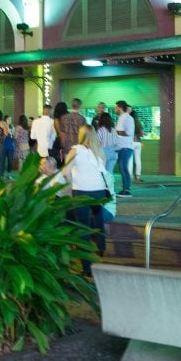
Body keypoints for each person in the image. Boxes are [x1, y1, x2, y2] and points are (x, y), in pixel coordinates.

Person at [63, 124, 108, 275]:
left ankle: (87, 267)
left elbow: (66, 171)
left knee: (83, 228)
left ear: (80, 135)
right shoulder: (99, 151)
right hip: (99, 191)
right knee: (98, 218)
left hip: (81, 191)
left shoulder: (75, 150)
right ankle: (101, 248)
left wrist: (69, 186)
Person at [113, 101, 135, 198]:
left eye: (116, 107)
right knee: (122, 168)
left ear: (120, 107)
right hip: (121, 147)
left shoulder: (127, 118)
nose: (115, 109)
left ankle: (127, 190)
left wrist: (117, 132)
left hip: (125, 147)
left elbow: (128, 132)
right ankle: (125, 189)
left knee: (123, 168)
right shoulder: (121, 117)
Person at [130, 108, 144, 183]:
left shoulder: (129, 122)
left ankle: (130, 176)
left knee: (130, 160)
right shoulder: (139, 123)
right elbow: (142, 134)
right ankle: (137, 176)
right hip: (138, 143)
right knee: (138, 159)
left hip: (131, 142)